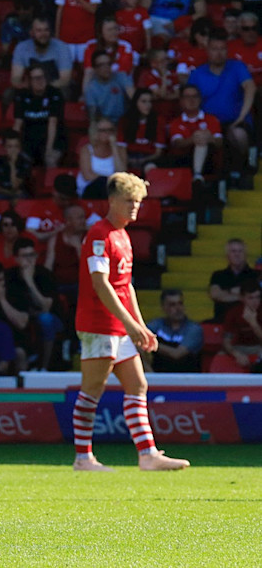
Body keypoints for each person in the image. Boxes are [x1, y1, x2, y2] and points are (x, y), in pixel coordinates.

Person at [72, 171, 190, 472]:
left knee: (138, 384)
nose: (134, 207)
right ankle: (83, 457)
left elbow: (126, 286)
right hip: (98, 323)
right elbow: (101, 285)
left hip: (118, 325)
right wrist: (130, 324)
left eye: (138, 201)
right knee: (93, 389)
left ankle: (147, 454)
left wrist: (140, 324)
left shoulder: (123, 235)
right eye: (128, 201)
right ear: (111, 201)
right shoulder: (99, 234)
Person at [188, 29, 256, 176]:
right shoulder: (197, 73)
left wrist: (241, 117)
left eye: (222, 49)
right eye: (214, 49)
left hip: (236, 121)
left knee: (238, 134)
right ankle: (207, 179)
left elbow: (250, 87)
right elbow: (189, 100)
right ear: (207, 50)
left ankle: (243, 169)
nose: (218, 53)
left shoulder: (237, 67)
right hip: (209, 124)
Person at [6, 238, 64, 371]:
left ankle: (44, 367)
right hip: (23, 319)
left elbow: (46, 307)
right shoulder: (9, 277)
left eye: (32, 255)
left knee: (45, 319)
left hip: (52, 320)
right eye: (25, 256)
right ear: (16, 259)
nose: (30, 259)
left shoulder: (44, 274)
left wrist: (29, 282)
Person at [168, 84, 223, 182]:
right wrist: (193, 139)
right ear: (181, 101)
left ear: (200, 99)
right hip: (183, 159)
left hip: (208, 161)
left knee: (202, 139)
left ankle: (198, 176)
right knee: (199, 138)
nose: (191, 100)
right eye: (187, 97)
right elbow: (177, 143)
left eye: (195, 96)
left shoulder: (211, 119)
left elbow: (219, 141)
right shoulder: (176, 122)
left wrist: (210, 138)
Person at [10, 16, 74, 98]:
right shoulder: (21, 48)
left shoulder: (62, 47)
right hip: (29, 87)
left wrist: (43, 86)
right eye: (39, 30)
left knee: (65, 93)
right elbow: (15, 78)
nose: (43, 34)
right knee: (9, 94)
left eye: (46, 30)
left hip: (54, 87)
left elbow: (65, 80)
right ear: (31, 33)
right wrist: (29, 86)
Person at [145, 289, 204, 372]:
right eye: (172, 305)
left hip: (187, 379)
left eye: (180, 303)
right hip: (158, 376)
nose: (178, 308)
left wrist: (150, 344)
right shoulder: (156, 324)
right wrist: (149, 371)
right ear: (163, 307)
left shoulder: (194, 329)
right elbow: (137, 340)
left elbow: (176, 354)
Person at [208, 238, 259, 322]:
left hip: (249, 323)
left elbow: (255, 299)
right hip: (222, 321)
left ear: (246, 254)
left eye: (240, 251)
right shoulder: (218, 275)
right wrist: (240, 295)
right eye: (233, 251)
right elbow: (215, 295)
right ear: (227, 255)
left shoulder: (257, 275)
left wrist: (226, 293)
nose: (237, 254)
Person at [77, 118, 127, 199]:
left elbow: (121, 172)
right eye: (103, 130)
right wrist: (107, 179)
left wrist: (114, 147)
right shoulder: (86, 150)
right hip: (90, 186)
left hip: (112, 188)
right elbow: (87, 175)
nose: (107, 133)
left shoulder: (121, 149)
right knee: (102, 183)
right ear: (95, 132)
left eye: (110, 130)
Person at [118, 89, 166, 175]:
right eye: (143, 101)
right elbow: (121, 149)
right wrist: (129, 160)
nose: (148, 105)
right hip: (128, 157)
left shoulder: (158, 121)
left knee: (151, 168)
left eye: (150, 101)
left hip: (149, 158)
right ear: (135, 102)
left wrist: (143, 160)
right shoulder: (125, 121)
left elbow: (158, 153)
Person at [84, 50, 134, 123]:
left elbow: (134, 98)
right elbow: (93, 116)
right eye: (102, 65)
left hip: (124, 121)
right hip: (104, 123)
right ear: (95, 69)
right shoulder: (91, 88)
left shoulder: (121, 77)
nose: (106, 67)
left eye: (109, 64)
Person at [0, 129, 33, 200]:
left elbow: (15, 186)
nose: (13, 150)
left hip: (20, 194)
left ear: (20, 147)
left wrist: (12, 164)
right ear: (4, 147)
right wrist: (9, 193)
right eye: (10, 146)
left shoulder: (25, 162)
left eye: (16, 146)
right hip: (2, 193)